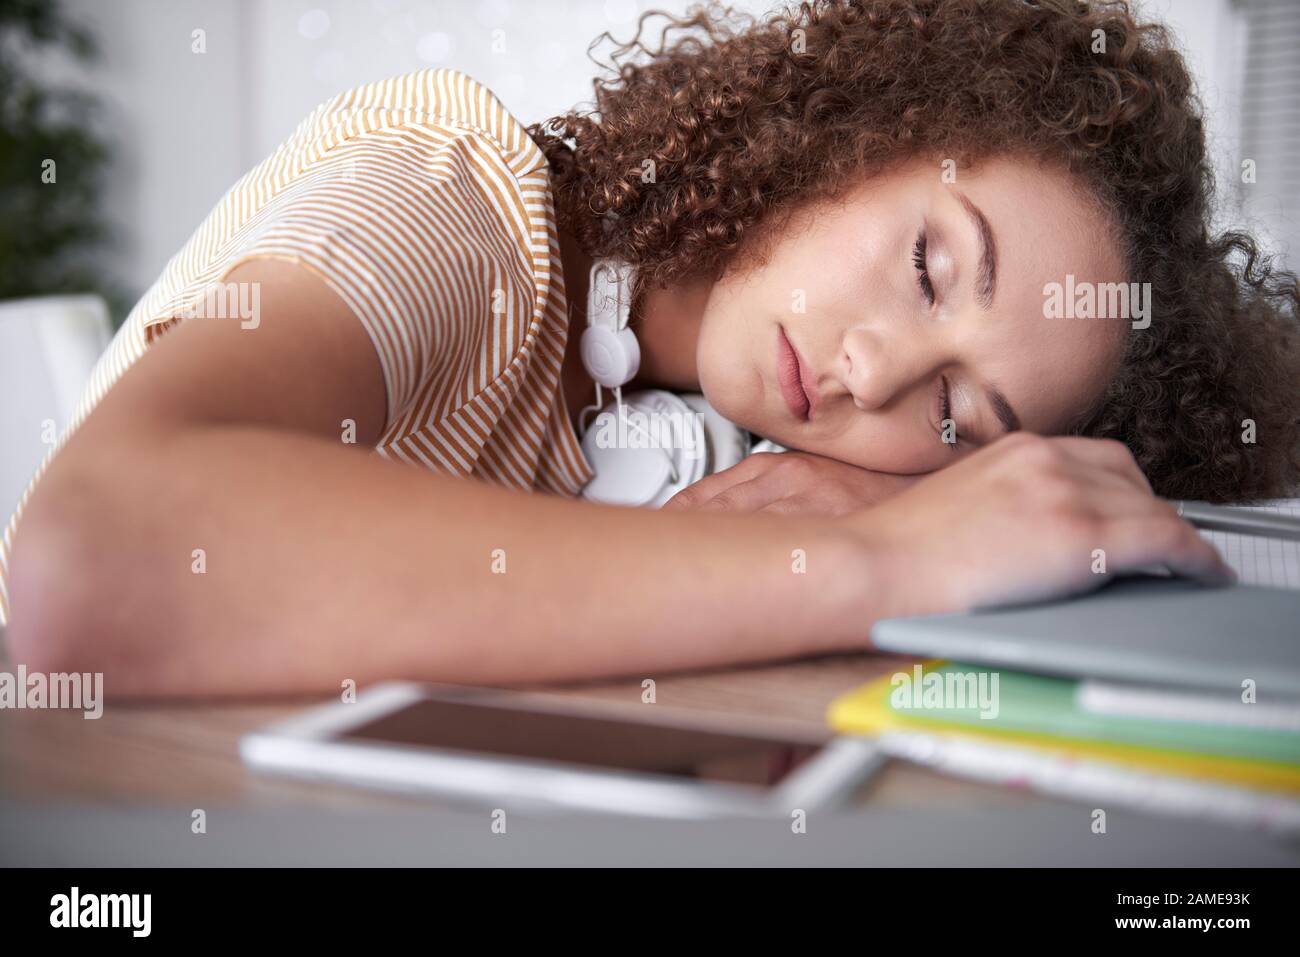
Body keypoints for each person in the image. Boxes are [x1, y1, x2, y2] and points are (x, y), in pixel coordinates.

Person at [4, 0, 1295, 696]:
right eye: (927, 267)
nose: (879, 372)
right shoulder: (446, 193)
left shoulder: (681, 399)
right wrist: (872, 552)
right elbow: (95, 567)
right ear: (852, 129)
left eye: (961, 412)